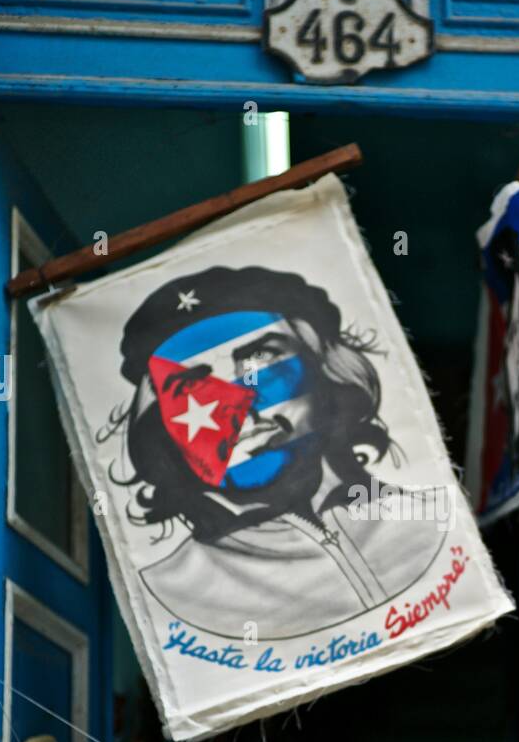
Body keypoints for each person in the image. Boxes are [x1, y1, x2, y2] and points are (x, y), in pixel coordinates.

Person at [100, 266, 448, 640]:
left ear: (325, 371)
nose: (237, 409)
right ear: (158, 428)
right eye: (191, 386)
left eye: (260, 360)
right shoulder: (171, 590)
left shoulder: (437, 523)